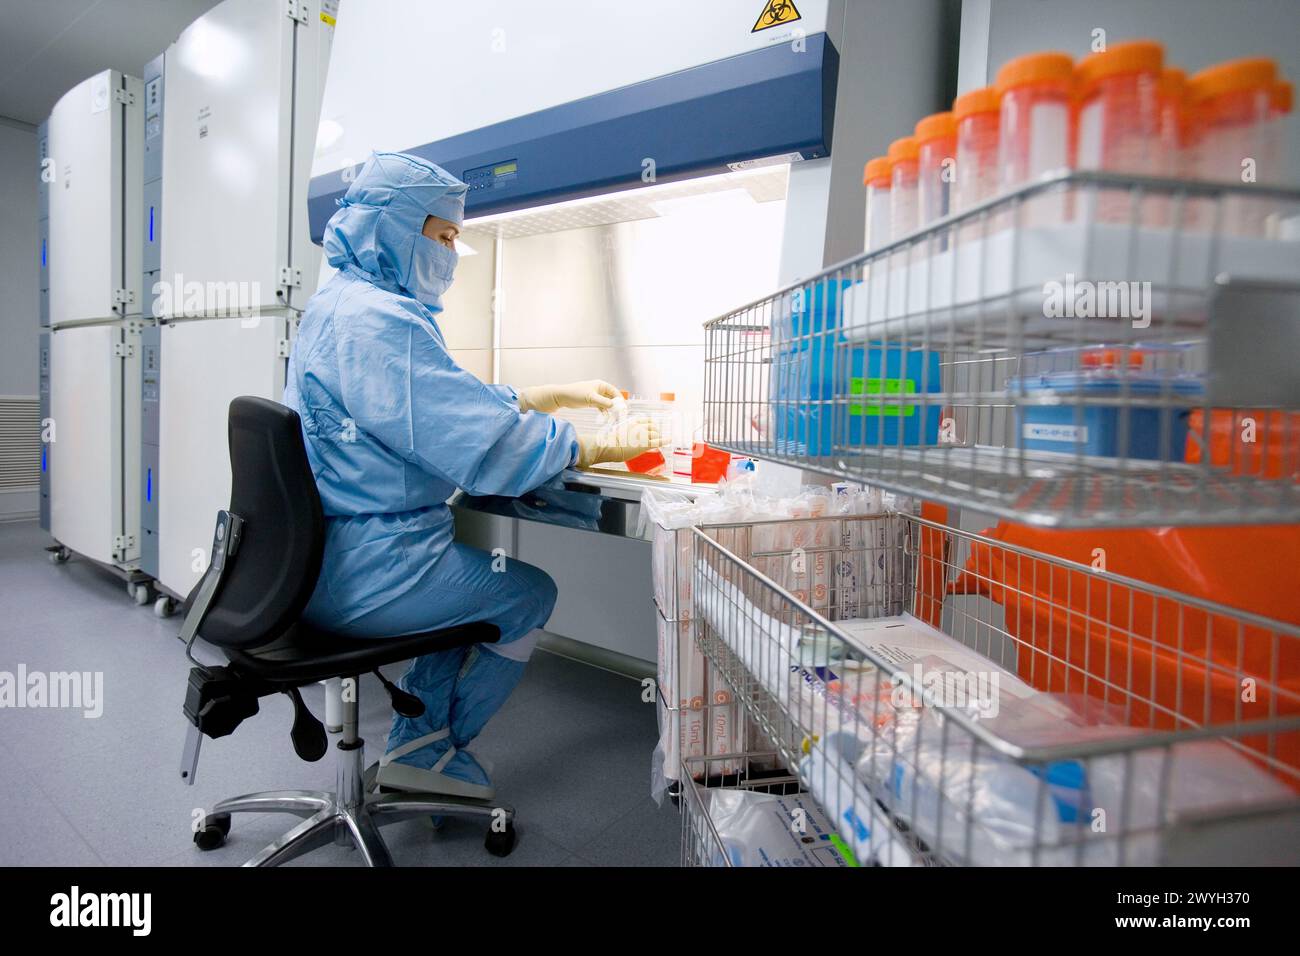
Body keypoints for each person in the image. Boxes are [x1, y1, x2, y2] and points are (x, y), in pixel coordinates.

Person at [284, 151, 664, 799]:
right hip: (372, 574)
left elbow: (439, 402)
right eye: (447, 236)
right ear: (398, 227)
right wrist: (601, 446)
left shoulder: (339, 308)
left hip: (320, 563)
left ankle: (421, 737)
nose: (453, 254)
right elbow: (489, 451)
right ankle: (431, 748)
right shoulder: (382, 321)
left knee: (471, 573)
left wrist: (546, 394)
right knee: (525, 594)